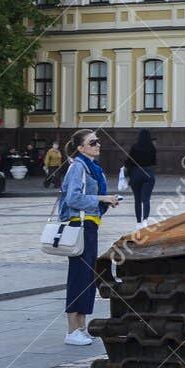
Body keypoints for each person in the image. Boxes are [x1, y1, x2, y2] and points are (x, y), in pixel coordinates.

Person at [57, 129, 120, 346]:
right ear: (81, 148)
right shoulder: (78, 167)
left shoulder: (93, 168)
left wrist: (106, 201)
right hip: (79, 226)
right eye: (92, 142)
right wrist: (102, 197)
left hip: (90, 225)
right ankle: (72, 329)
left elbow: (87, 199)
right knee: (79, 276)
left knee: (86, 277)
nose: (97, 145)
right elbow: (73, 198)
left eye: (98, 141)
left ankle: (81, 327)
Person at [125, 128, 158, 223]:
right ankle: (145, 221)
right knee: (146, 199)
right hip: (148, 173)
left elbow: (129, 162)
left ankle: (138, 221)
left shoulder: (135, 147)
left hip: (136, 174)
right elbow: (154, 162)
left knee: (137, 200)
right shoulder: (152, 148)